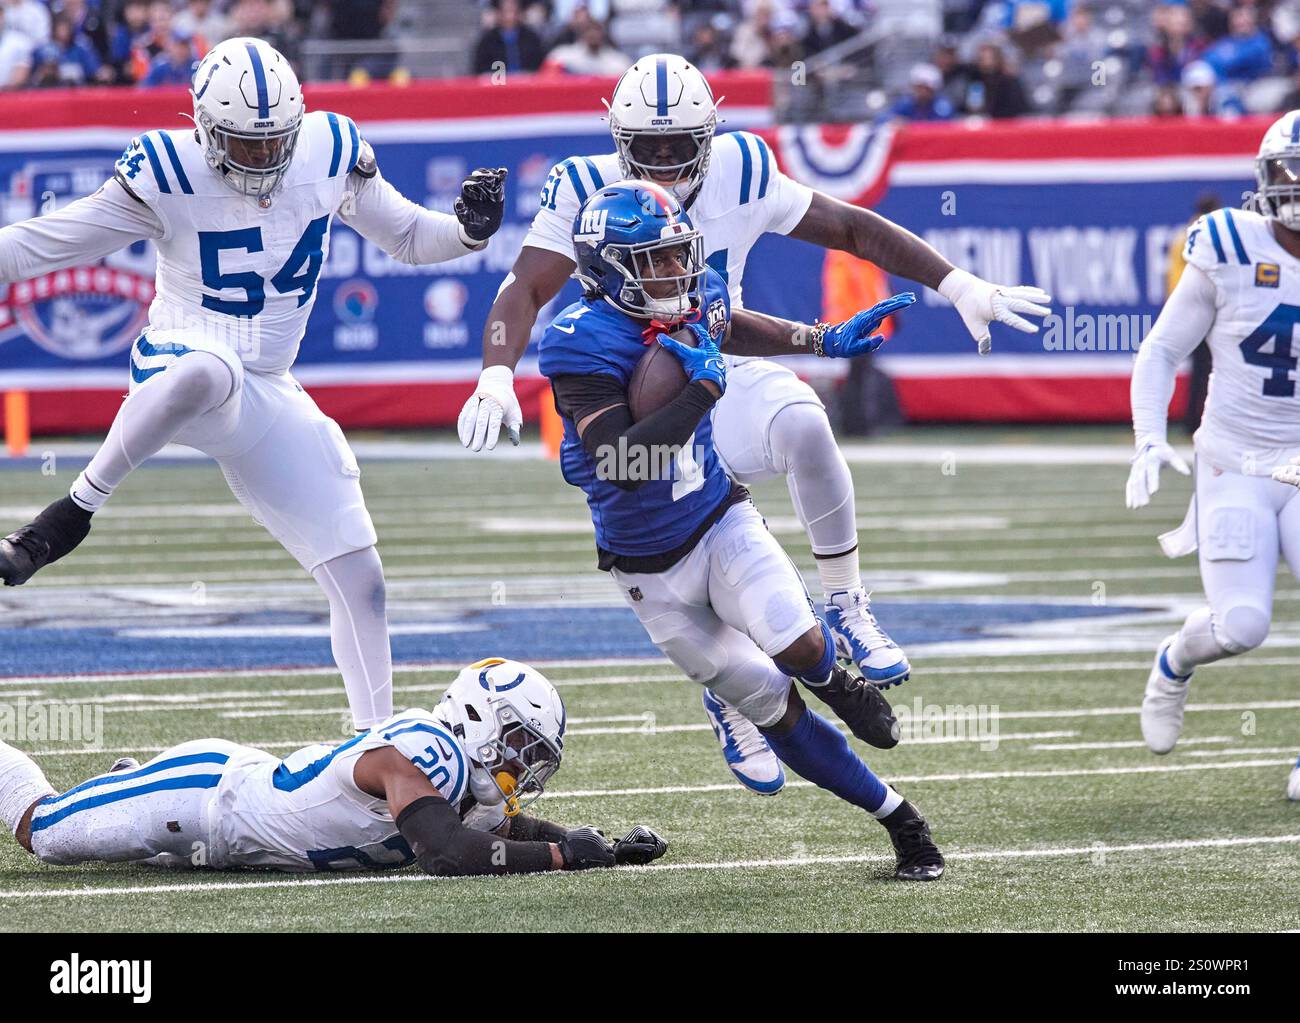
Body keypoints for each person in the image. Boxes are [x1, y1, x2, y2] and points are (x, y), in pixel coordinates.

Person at [457, 54, 1050, 794]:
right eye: (650, 147)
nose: (667, 163)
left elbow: (850, 228)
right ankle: (732, 687)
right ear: (618, 138)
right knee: (680, 545)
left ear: (713, 134)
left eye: (681, 147)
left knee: (804, 420)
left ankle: (847, 604)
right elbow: (526, 284)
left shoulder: (742, 166)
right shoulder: (582, 183)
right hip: (636, 392)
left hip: (719, 360)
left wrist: (956, 282)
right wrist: (493, 371)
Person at [0, 38, 508, 736]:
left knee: (361, 578)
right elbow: (40, 244)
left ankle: (377, 748)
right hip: (174, 363)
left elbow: (411, 239)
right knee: (213, 369)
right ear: (205, 131)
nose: (264, 161)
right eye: (246, 144)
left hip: (267, 385)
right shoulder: (167, 171)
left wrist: (470, 233)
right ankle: (63, 518)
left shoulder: (328, 148)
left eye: (276, 144)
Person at [537, 181, 944, 880]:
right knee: (770, 703)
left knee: (800, 639)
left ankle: (839, 684)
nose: (675, 274)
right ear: (608, 268)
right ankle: (899, 818)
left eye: (676, 256)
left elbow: (723, 321)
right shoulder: (578, 343)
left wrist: (815, 337)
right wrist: (703, 389)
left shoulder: (688, 295)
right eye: (656, 262)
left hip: (717, 517)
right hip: (648, 571)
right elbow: (623, 461)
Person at [0, 658, 668, 875]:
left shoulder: (467, 779)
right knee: (46, 833)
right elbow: (444, 849)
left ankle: (127, 784)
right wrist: (561, 858)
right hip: (206, 795)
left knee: (161, 859)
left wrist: (602, 846)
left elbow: (506, 832)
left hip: (242, 845)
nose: (523, 764)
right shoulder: (423, 747)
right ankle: (128, 787)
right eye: (520, 743)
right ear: (480, 716)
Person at [1128, 111, 1300, 805]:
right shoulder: (1230, 244)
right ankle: (1173, 662)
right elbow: (1163, 349)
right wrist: (1149, 435)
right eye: (1288, 169)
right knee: (1241, 626)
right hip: (1236, 459)